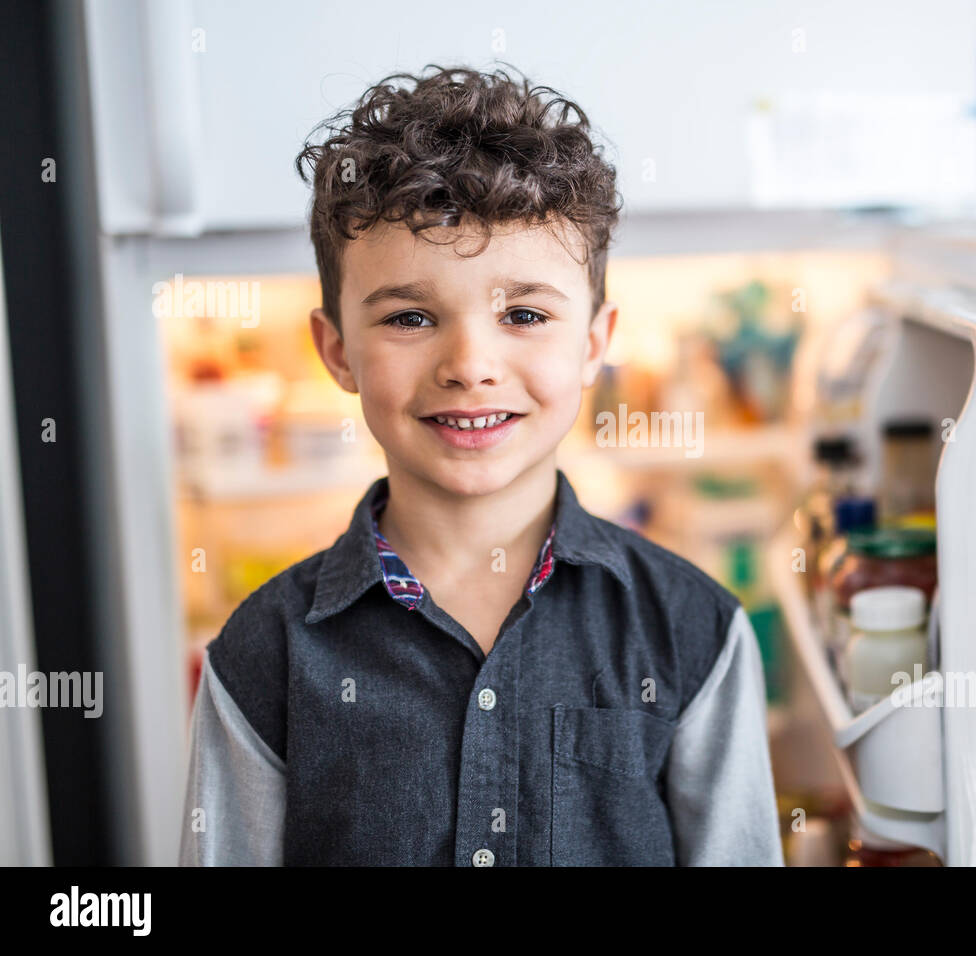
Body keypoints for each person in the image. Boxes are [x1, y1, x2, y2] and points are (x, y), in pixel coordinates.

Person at [178, 63, 784, 866]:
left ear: (595, 344)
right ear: (337, 351)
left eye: (524, 314)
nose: (471, 365)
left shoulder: (695, 632)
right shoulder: (263, 655)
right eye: (411, 316)